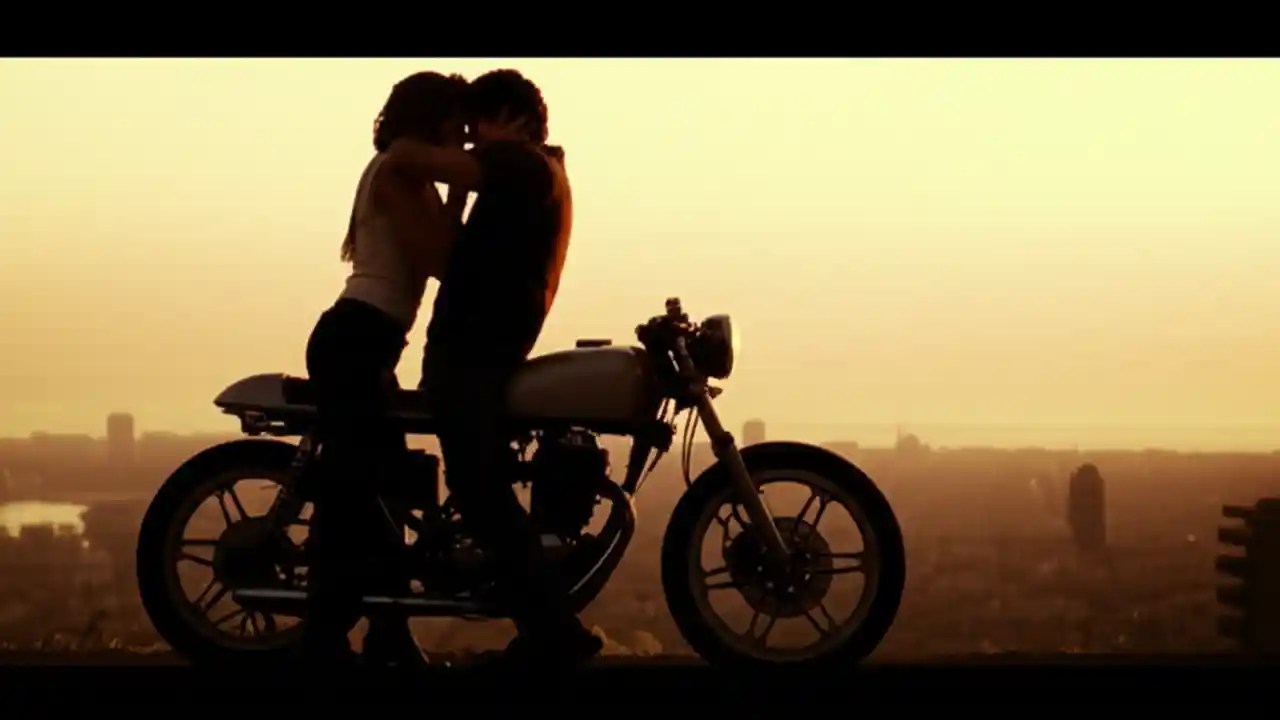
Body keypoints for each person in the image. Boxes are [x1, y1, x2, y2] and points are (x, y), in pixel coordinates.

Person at [383, 68, 602, 667]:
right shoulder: (543, 173)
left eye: (477, 125)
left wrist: (405, 143)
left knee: (482, 493)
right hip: (483, 351)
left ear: (508, 119)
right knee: (481, 488)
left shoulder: (521, 166)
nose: (470, 139)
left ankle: (554, 633)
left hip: (472, 356)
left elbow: (418, 159)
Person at [299, 70, 470, 668]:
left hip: (366, 341)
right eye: (456, 120)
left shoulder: (405, 174)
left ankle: (385, 632)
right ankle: (328, 633)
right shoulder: (401, 174)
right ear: (433, 120)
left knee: (382, 487)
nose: (463, 132)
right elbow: (441, 259)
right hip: (356, 340)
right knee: (359, 490)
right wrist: (466, 186)